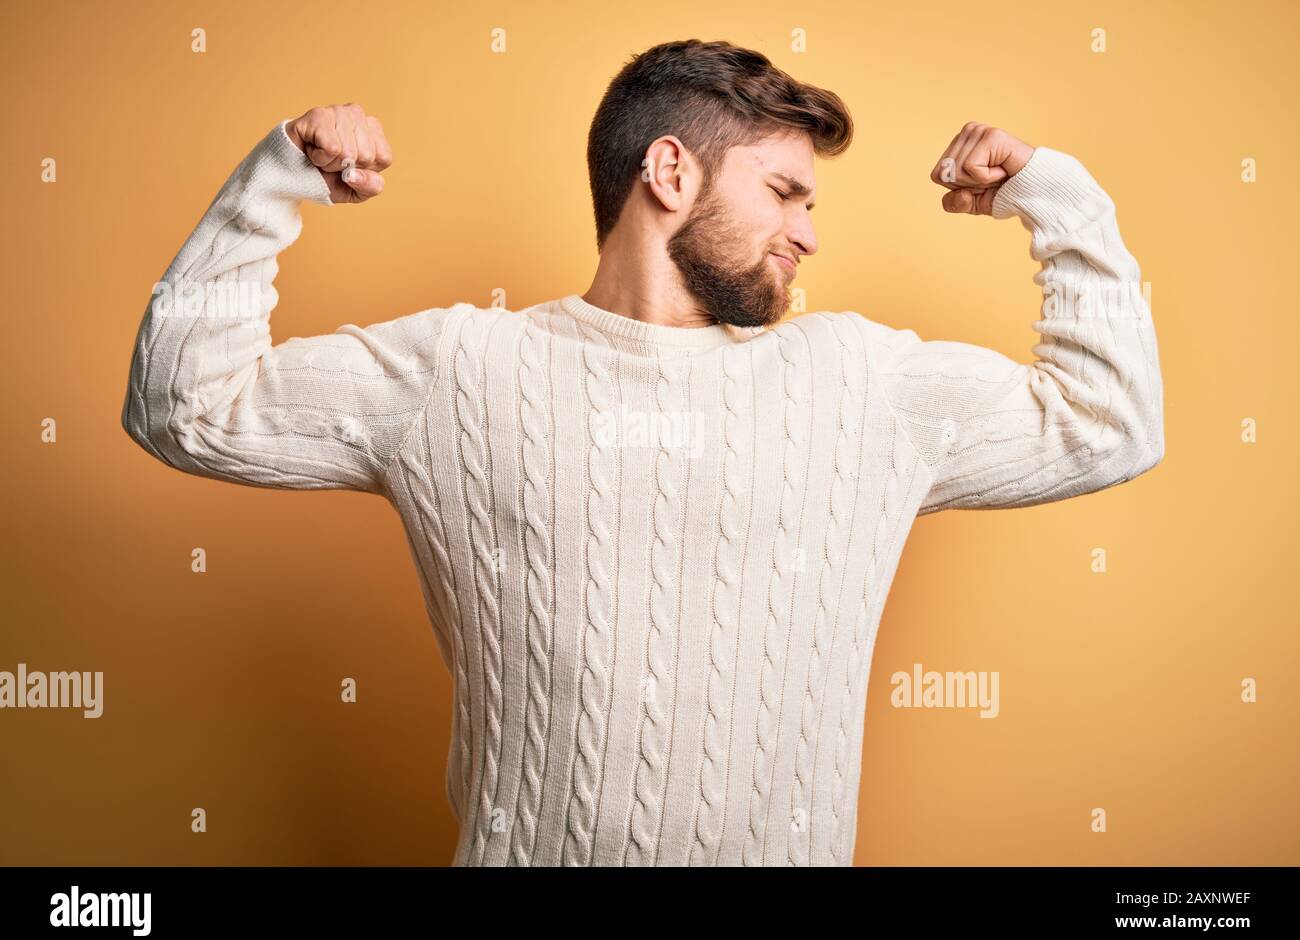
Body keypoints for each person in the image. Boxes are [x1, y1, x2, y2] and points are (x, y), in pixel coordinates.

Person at [121, 38, 1164, 866]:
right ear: (670, 169)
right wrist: (272, 186)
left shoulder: (859, 381)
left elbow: (1110, 424)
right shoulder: (460, 371)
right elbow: (182, 409)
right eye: (785, 192)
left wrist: (1056, 200)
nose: (808, 234)